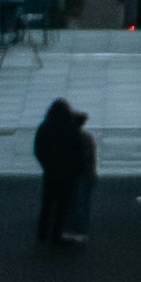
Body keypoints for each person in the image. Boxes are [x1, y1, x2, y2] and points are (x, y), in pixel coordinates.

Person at [33, 93, 95, 249]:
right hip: (67, 175)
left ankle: (42, 233)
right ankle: (56, 234)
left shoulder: (44, 128)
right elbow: (78, 152)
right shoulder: (71, 130)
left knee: (47, 203)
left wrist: (47, 165)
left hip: (51, 173)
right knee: (62, 205)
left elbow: (38, 150)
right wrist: (79, 170)